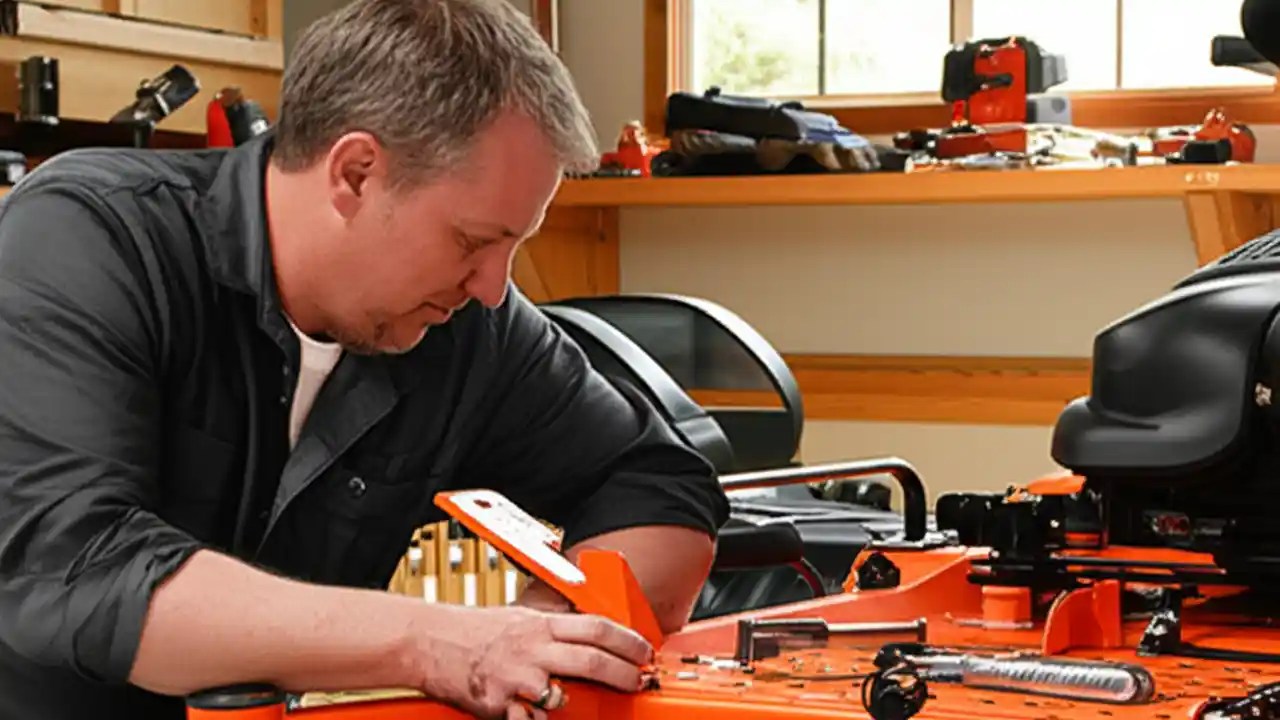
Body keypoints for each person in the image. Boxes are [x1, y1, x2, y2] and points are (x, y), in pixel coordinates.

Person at [0, 0, 730, 718]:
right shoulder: (88, 241)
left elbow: (659, 481)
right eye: (474, 242)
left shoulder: (468, 327)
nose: (492, 288)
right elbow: (80, 570)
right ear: (355, 173)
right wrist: (436, 641)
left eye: (516, 246)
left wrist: (553, 634)